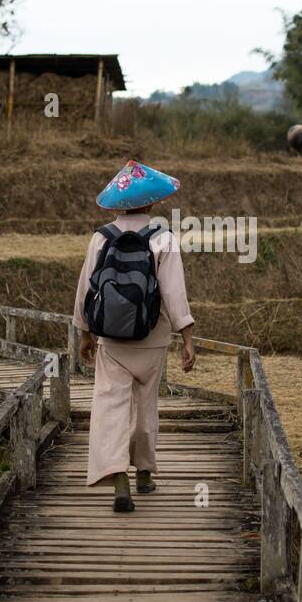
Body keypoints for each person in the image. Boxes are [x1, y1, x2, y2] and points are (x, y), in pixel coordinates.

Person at [72, 160, 196, 512]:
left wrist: (84, 332)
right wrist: (186, 337)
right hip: (152, 338)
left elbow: (85, 289)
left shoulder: (101, 238)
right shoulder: (163, 238)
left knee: (111, 407)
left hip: (111, 341)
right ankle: (143, 474)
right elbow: (174, 293)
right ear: (151, 202)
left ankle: (119, 479)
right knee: (145, 407)